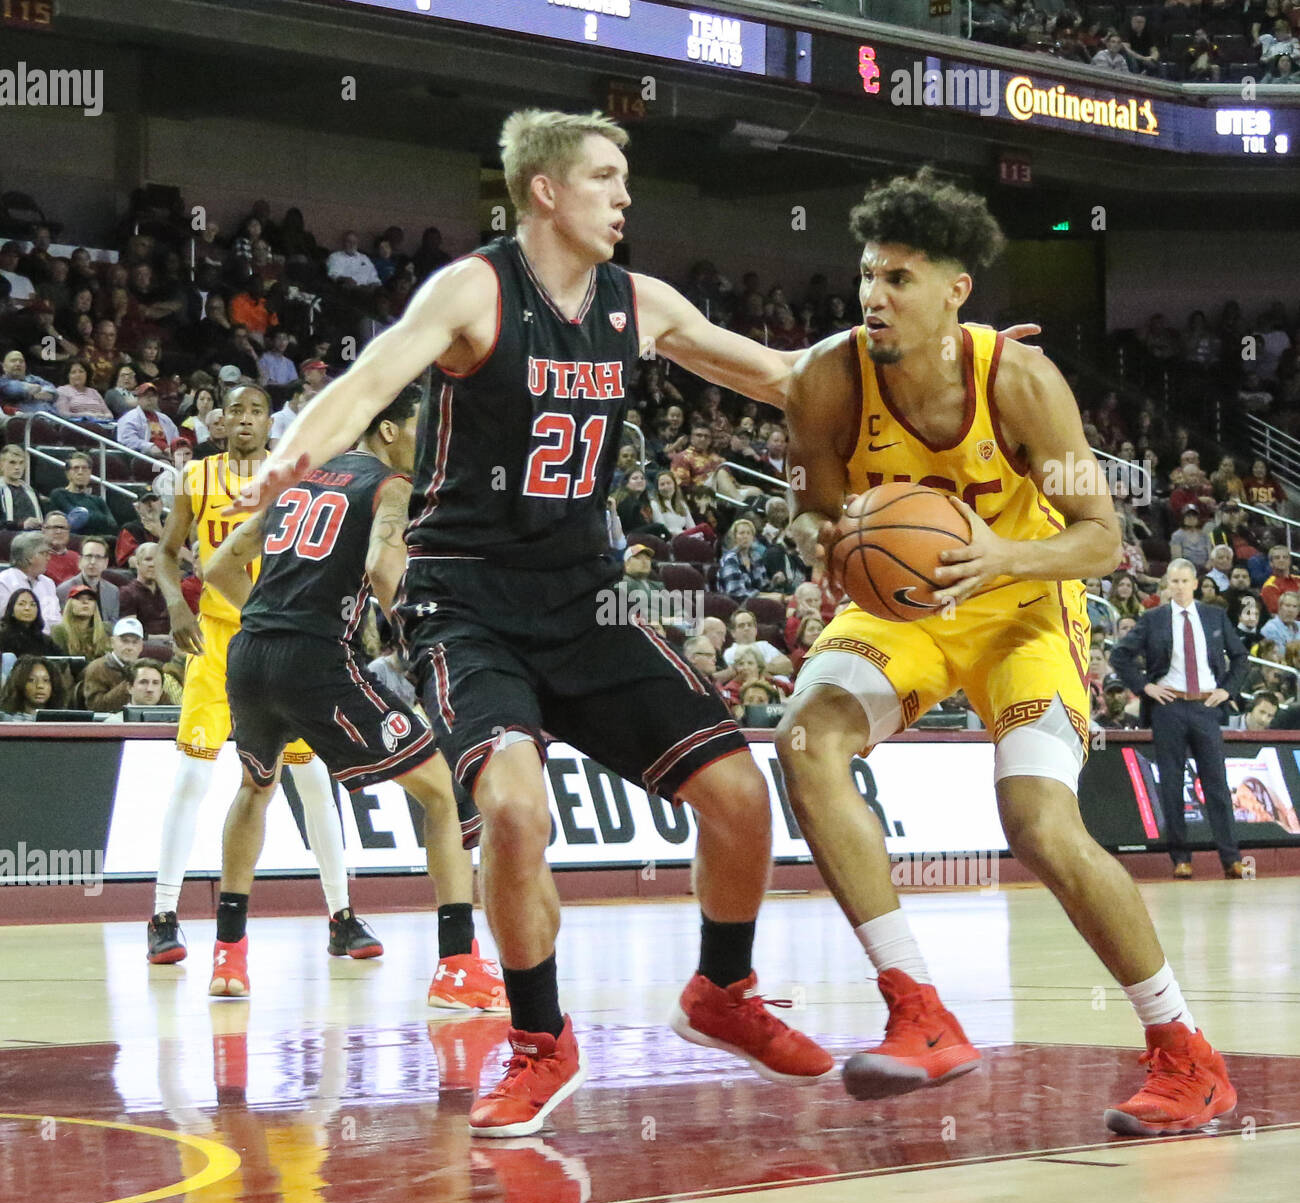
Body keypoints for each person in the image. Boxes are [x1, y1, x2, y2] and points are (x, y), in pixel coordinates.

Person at [239, 107, 832, 1138]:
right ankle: (538, 1037)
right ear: (546, 190)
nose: (625, 195)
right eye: (607, 177)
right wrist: (296, 448)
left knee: (738, 792)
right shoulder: (474, 289)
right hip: (463, 599)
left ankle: (721, 991)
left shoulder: (635, 301)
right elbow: (372, 375)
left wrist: (939, 362)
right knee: (514, 813)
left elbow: (781, 374)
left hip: (585, 596)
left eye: (625, 177)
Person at [776, 168, 1236, 1138]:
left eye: (898, 278)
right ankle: (919, 1009)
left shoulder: (1018, 381)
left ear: (955, 292)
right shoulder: (827, 375)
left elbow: (1103, 539)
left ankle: (1184, 1054)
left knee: (1035, 820)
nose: (873, 295)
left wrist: (1002, 556)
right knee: (805, 739)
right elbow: (811, 506)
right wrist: (823, 534)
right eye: (866, 274)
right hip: (906, 610)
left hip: (1025, 607)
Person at [198, 384, 501, 1003]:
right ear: (388, 432)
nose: (432, 442)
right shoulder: (390, 488)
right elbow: (384, 568)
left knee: (256, 789)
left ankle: (228, 959)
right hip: (319, 663)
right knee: (444, 791)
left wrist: (269, 617)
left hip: (250, 655)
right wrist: (422, 647)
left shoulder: (303, 480)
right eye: (423, 427)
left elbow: (220, 564)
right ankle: (456, 967)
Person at [145, 385, 369, 967]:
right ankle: (163, 916)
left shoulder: (296, 475)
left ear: (273, 421)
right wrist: (174, 605)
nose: (245, 419)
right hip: (217, 640)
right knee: (193, 778)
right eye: (235, 410)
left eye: (256, 410)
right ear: (218, 420)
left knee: (313, 781)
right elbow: (168, 553)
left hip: (278, 639)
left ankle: (342, 917)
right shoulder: (197, 475)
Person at [1111, 559, 1249, 880]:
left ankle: (1231, 858)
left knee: (1216, 783)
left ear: (1195, 583)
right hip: (1169, 707)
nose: (1179, 587)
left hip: (1205, 706)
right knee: (1171, 783)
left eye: (1184, 581)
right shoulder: (1154, 619)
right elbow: (1120, 655)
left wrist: (1227, 691)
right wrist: (1145, 687)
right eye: (1173, 581)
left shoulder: (1215, 616)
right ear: (1166, 585)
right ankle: (1180, 858)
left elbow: (1241, 658)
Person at [82, 617, 147, 711]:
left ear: (141, 646)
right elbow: (95, 708)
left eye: (135, 642)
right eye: (124, 641)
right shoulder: (96, 668)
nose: (130, 647)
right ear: (112, 642)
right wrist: (130, 683)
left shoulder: (147, 669)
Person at [0, 531, 60, 631]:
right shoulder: (4, 582)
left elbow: (55, 619)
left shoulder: (48, 583)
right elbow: (5, 623)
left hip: (49, 642)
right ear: (29, 557)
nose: (49, 558)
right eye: (44, 553)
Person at [47, 454, 118, 537]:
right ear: (68, 473)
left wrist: (89, 519)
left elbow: (113, 525)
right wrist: (100, 519)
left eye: (84, 468)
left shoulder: (97, 500)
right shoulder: (59, 494)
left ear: (90, 473)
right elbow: (76, 518)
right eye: (76, 468)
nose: (80, 472)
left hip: (100, 541)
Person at [51, 586, 111, 661]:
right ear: (70, 605)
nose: (85, 602)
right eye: (79, 598)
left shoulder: (106, 629)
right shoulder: (59, 631)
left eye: (90, 599)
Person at [0, 588, 58, 658]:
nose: (27, 608)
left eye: (32, 604)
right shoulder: (3, 636)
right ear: (11, 610)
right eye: (21, 604)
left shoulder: (45, 641)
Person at [0, 655, 62, 720]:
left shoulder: (63, 721)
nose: (40, 685)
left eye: (46, 680)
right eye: (31, 680)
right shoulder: (4, 720)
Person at [0, 444, 43, 530]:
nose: (17, 467)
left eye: (21, 463)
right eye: (12, 462)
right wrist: (22, 525)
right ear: (1, 465)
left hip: (36, 536)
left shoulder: (32, 491)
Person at [40, 511, 81, 587]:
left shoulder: (77, 558)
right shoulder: (37, 558)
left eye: (62, 528)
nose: (58, 532)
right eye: (54, 527)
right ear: (43, 530)